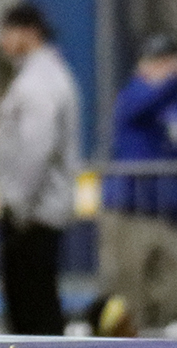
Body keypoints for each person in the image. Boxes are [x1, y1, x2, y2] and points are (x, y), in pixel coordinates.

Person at [0, 2, 79, 336]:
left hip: (32, 216)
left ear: (29, 32)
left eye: (7, 32)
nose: (2, 41)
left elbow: (36, 149)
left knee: (33, 315)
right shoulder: (44, 75)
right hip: (37, 211)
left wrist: (17, 205)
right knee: (36, 309)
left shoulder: (38, 81)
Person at [100, 35, 177, 329]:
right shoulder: (132, 96)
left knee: (169, 293)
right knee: (132, 296)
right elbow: (150, 101)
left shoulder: (169, 107)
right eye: (162, 63)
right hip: (130, 211)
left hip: (165, 213)